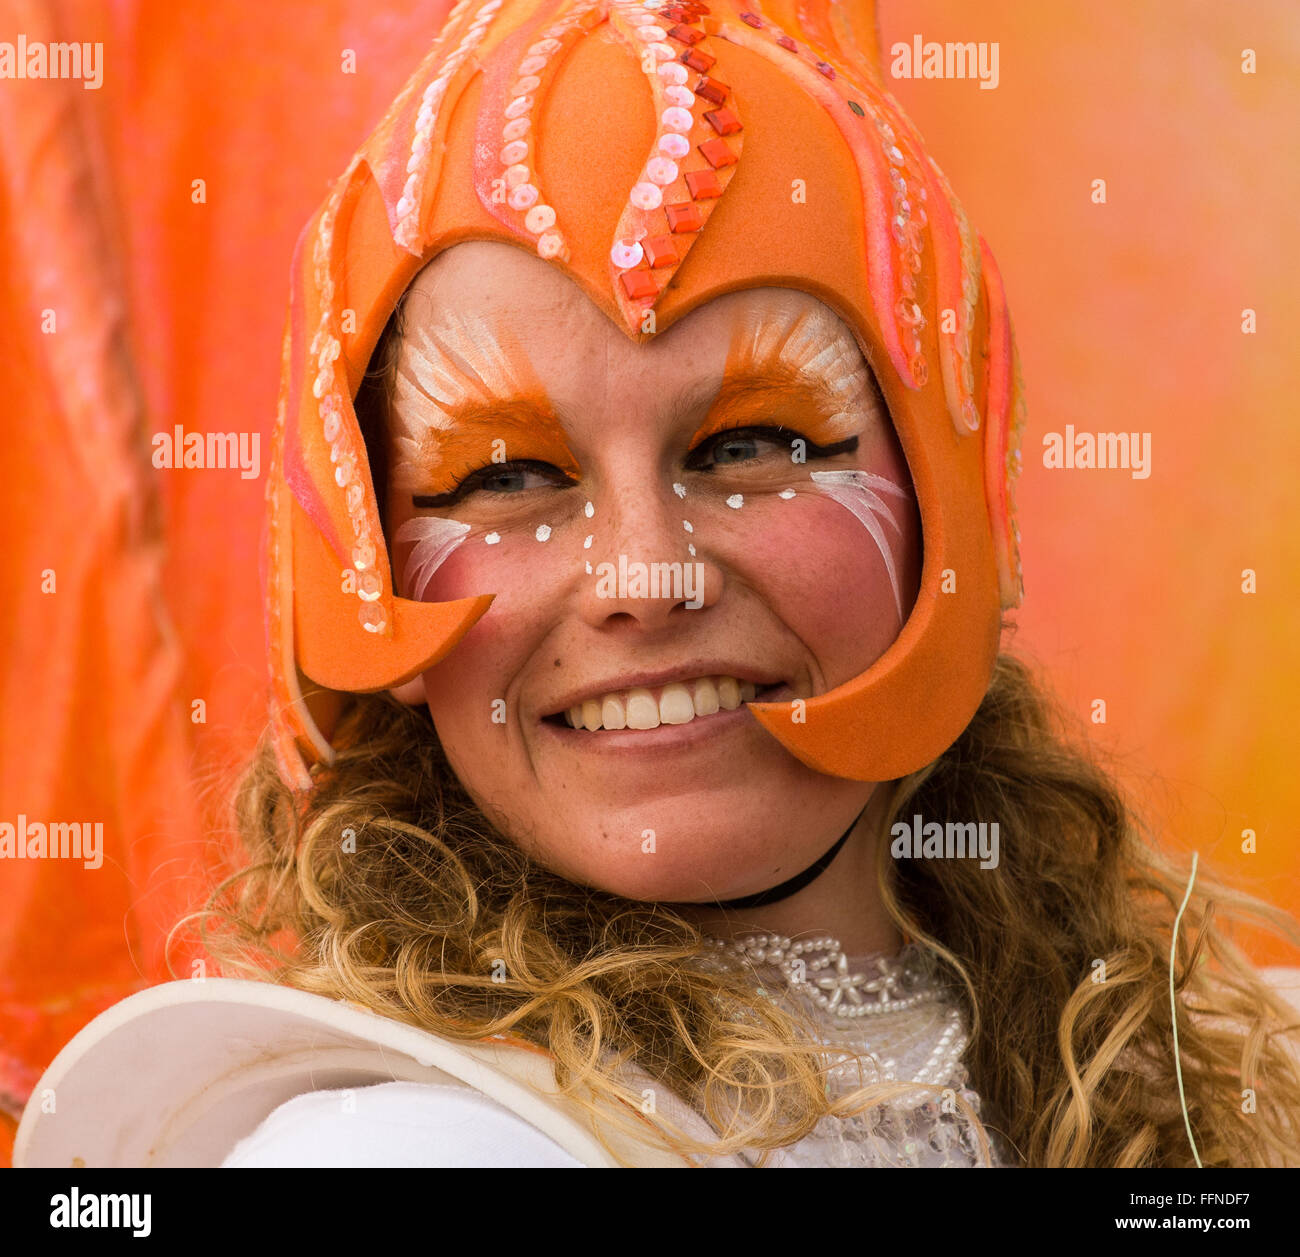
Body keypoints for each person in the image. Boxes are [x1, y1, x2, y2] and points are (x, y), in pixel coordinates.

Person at [15, 0, 1300, 1169]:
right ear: (368, 574)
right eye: (507, 476)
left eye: (754, 446)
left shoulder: (1226, 1069)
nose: (645, 575)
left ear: (948, 507)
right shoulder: (400, 1146)